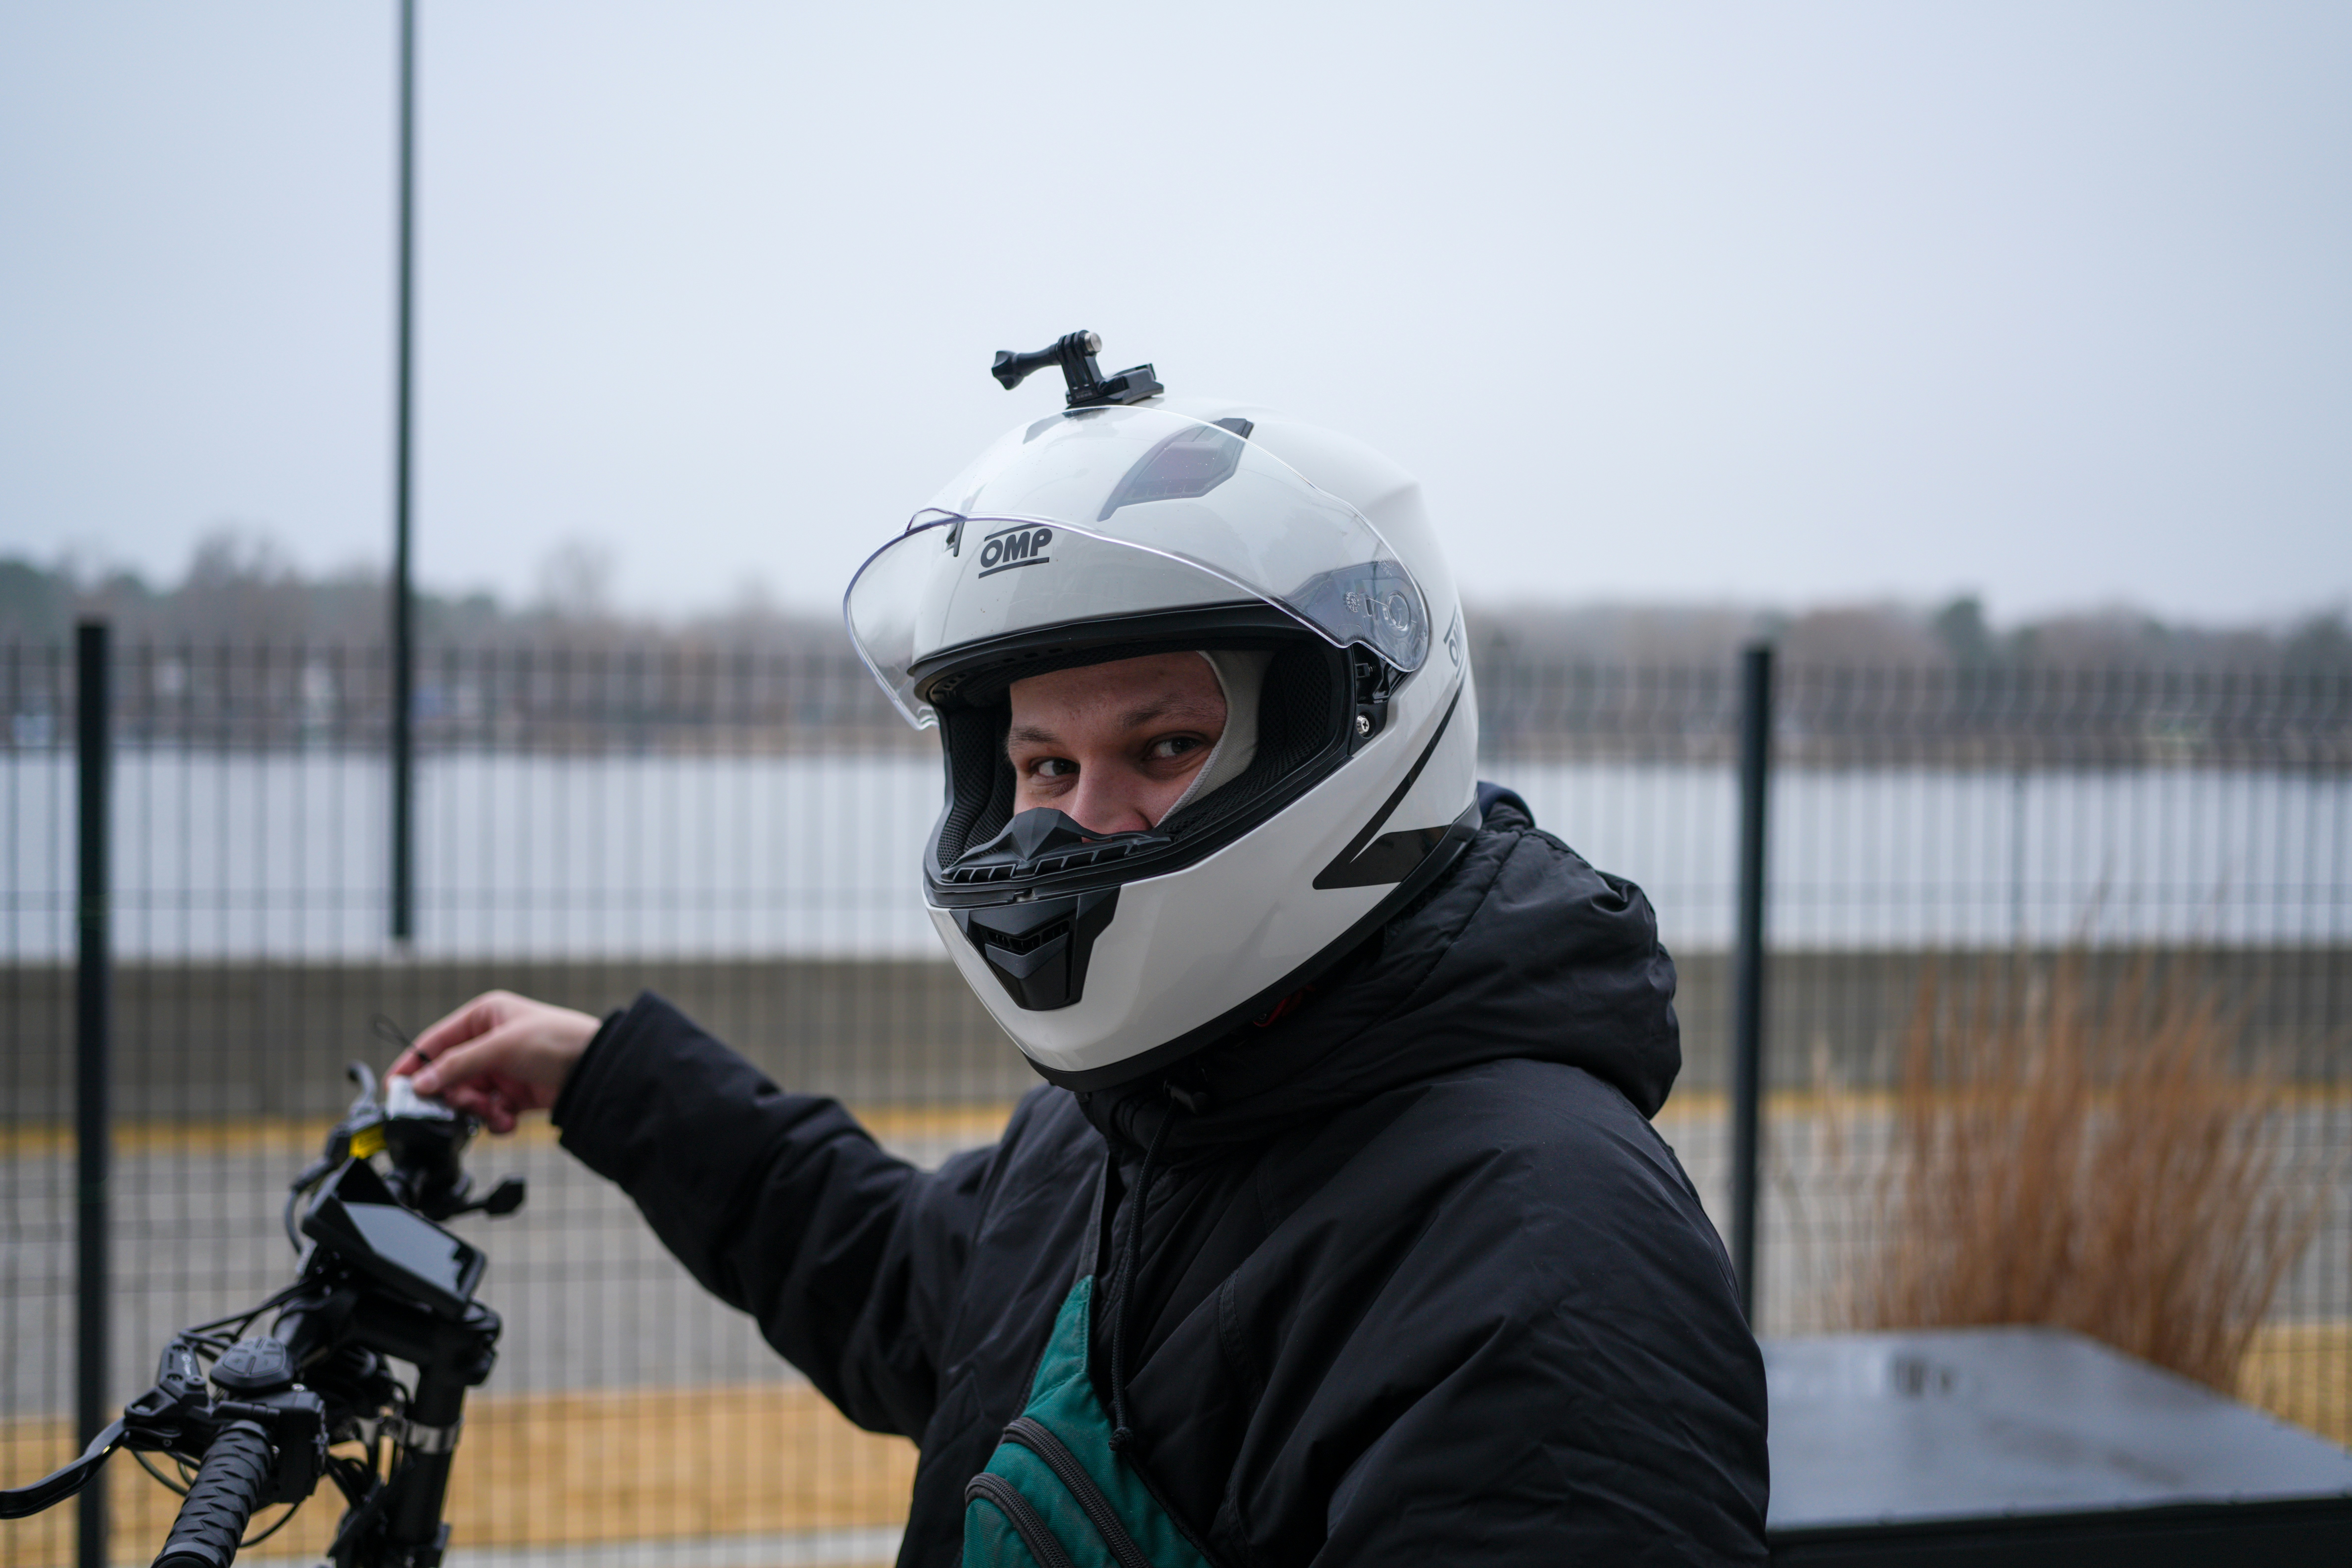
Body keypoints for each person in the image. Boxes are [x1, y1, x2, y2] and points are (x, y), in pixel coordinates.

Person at [396, 390, 1770, 1565]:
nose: (1077, 821)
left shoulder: (1542, 1243)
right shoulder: (1144, 1109)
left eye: (1164, 748)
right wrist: (613, 1080)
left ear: (1343, 735)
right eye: (1045, 766)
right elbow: (913, 1293)